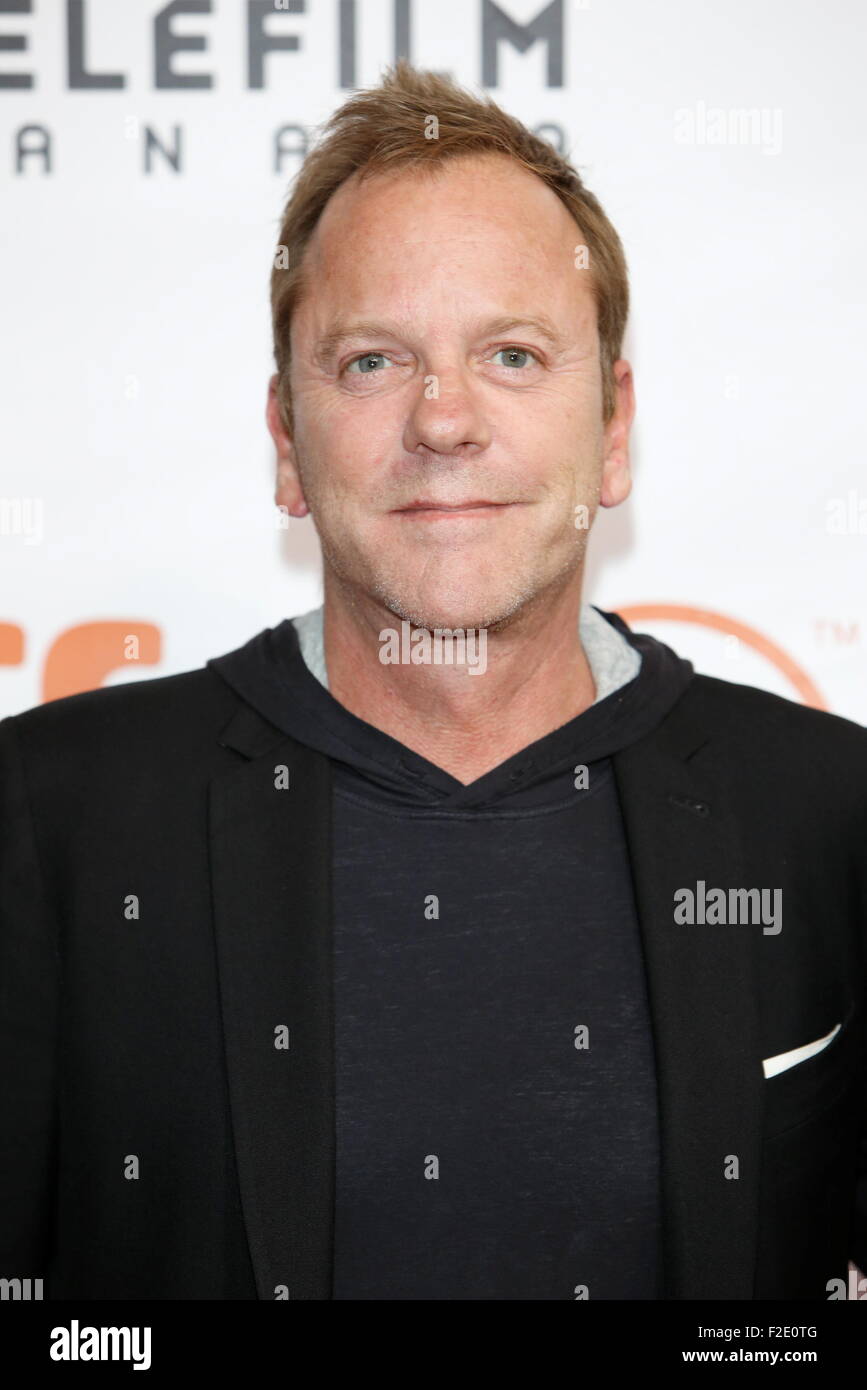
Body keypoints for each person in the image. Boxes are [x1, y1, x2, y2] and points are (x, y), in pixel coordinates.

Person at [1, 60, 865, 1302]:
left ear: (613, 432)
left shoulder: (830, 812)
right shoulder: (56, 816)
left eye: (513, 355)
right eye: (370, 363)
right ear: (287, 446)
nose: (444, 421)